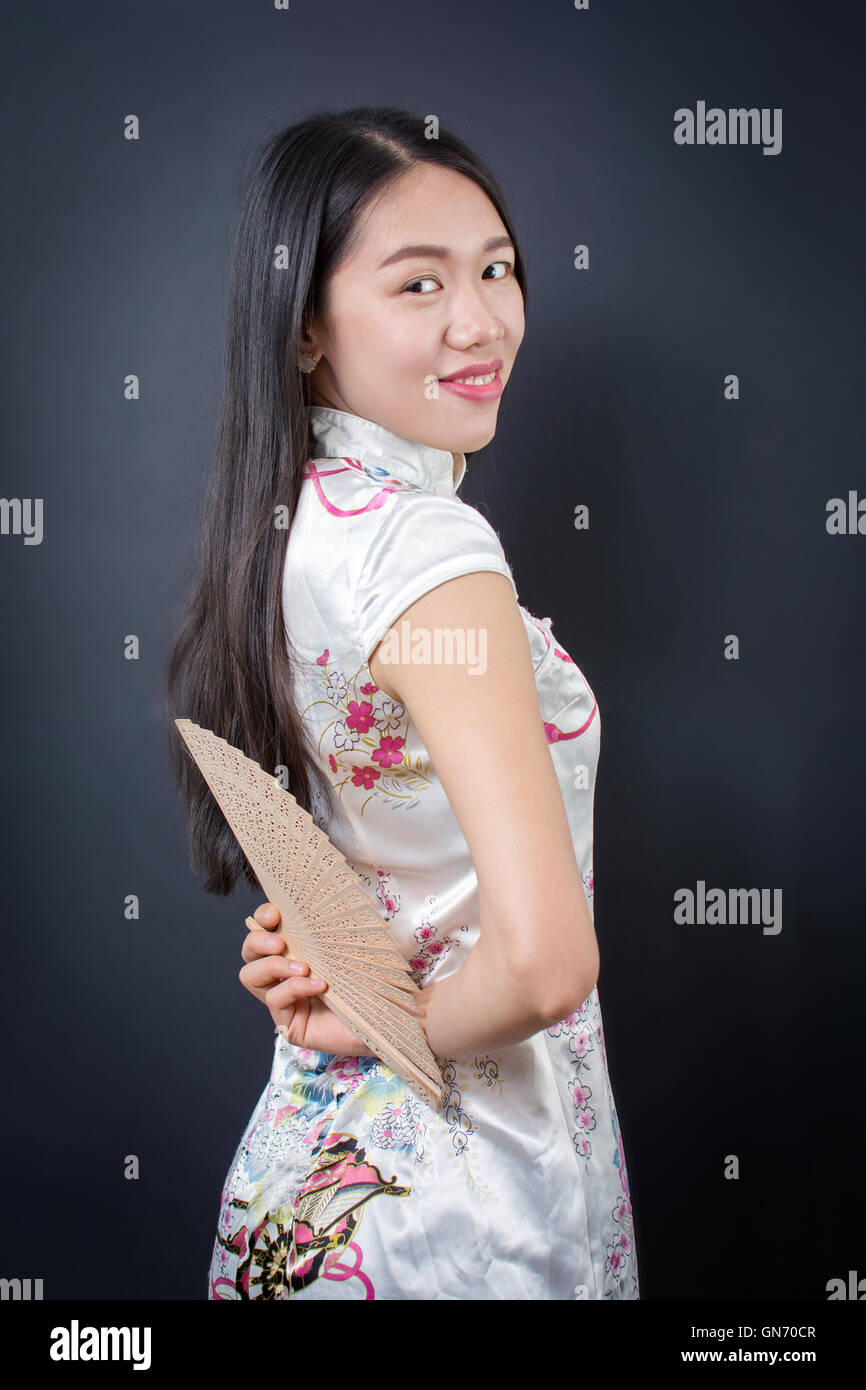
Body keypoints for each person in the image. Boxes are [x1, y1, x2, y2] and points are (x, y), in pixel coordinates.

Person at [166, 105, 639, 1300]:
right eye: (417, 285)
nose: (480, 321)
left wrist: (319, 959)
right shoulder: (429, 546)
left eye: (495, 269)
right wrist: (369, 1020)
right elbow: (542, 966)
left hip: (309, 1201)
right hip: (462, 1210)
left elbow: (364, 858)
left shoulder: (287, 529)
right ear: (307, 329)